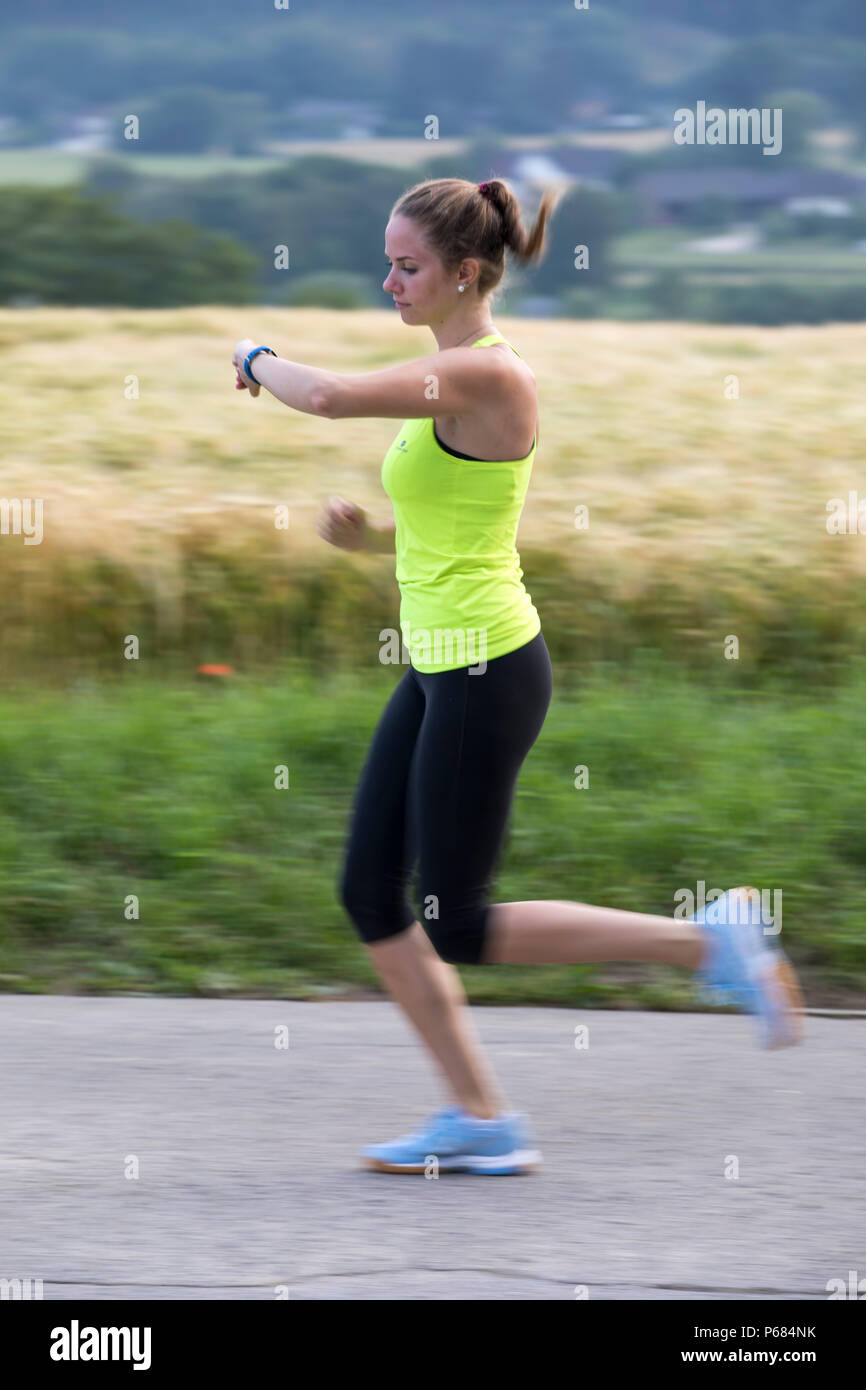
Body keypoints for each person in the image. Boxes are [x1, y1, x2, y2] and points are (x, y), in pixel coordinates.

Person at [232, 176, 804, 1177]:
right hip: (438, 667)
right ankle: (480, 1116)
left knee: (456, 920)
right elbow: (463, 529)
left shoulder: (486, 376)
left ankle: (711, 941)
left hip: (486, 671)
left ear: (462, 272)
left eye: (405, 266)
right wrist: (372, 544)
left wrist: (253, 356)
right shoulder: (451, 374)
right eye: (387, 261)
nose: (387, 281)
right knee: (371, 893)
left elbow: (323, 397)